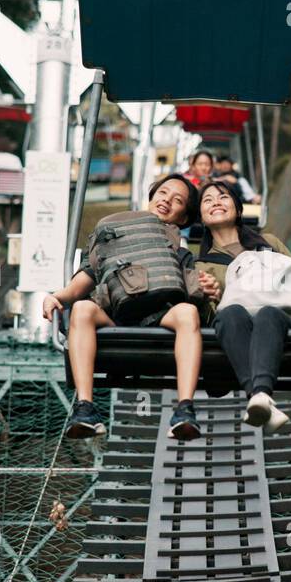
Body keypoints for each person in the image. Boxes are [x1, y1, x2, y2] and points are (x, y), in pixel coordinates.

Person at [41, 174, 205, 441]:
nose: (167, 201)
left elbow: (191, 294)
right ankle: (85, 408)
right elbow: (82, 282)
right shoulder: (112, 240)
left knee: (188, 313)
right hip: (116, 315)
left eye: (177, 201)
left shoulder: (180, 252)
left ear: (183, 217)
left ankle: (185, 408)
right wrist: (56, 296)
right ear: (152, 197)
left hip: (161, 314)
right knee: (82, 309)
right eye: (163, 193)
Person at [195, 180, 291, 430]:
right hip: (236, 329)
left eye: (223, 197)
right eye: (208, 200)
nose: (216, 202)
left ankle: (257, 395)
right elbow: (211, 316)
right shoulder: (201, 266)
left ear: (238, 209)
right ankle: (261, 397)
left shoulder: (269, 243)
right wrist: (206, 295)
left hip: (280, 322)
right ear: (201, 216)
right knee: (230, 313)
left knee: (268, 314)